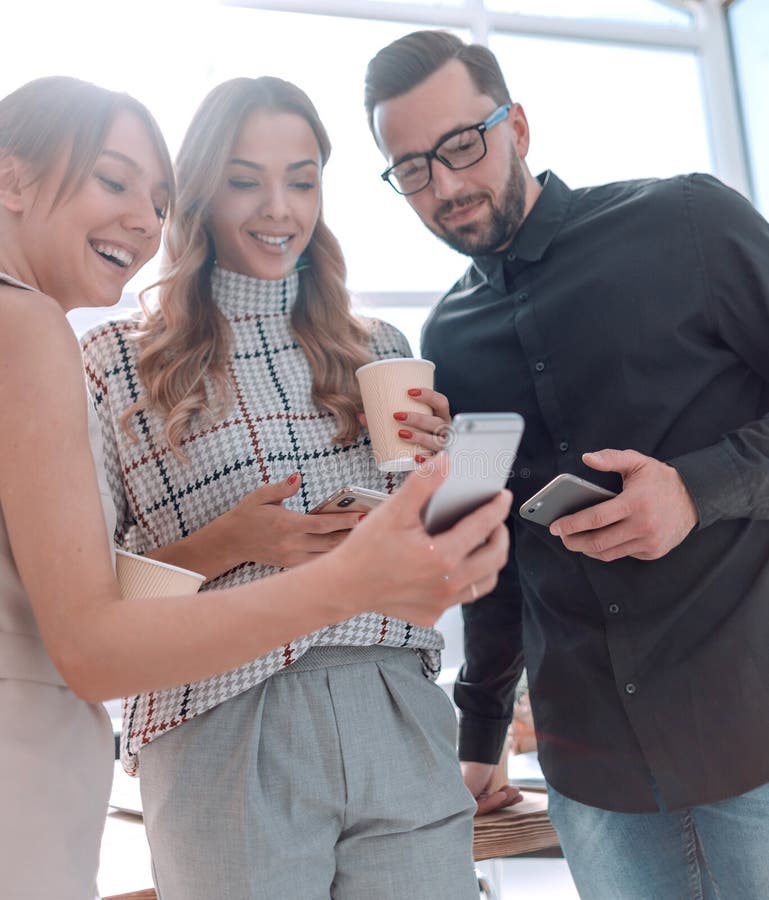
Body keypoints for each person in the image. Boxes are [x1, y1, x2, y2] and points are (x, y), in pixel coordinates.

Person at [0, 74, 512, 900]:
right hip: (223, 722)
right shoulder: (114, 360)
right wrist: (225, 544)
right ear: (200, 194)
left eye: (302, 180)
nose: (279, 208)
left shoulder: (377, 346)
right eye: (245, 181)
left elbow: (428, 580)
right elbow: (99, 608)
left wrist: (440, 493)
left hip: (393, 701)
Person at [364, 29, 769, 900]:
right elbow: (492, 559)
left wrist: (695, 491)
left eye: (460, 147)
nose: (445, 187)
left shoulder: (690, 223)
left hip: (751, 734)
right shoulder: (448, 342)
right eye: (411, 170)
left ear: (515, 124)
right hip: (593, 776)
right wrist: (477, 741)